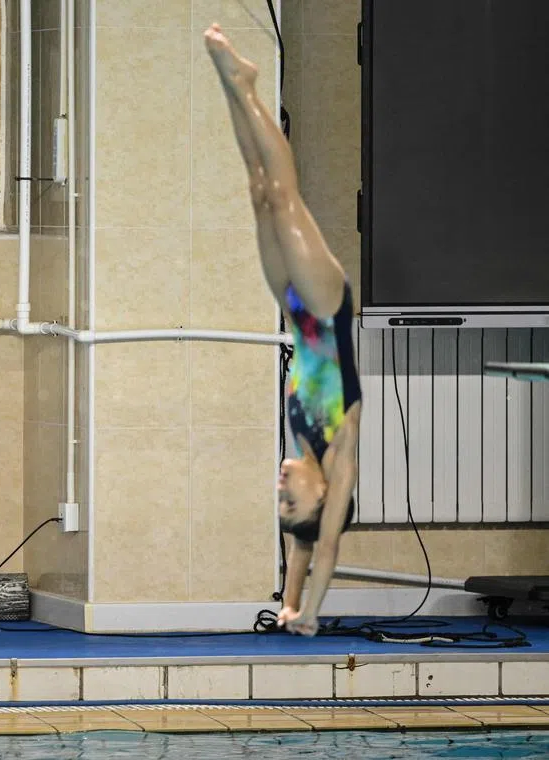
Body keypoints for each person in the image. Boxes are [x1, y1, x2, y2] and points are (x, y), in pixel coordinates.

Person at [204, 24, 362, 637]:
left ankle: (230, 86)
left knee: (259, 193)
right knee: (285, 195)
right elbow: (321, 550)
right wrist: (313, 614)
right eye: (292, 500)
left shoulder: (302, 449)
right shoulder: (340, 455)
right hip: (325, 306)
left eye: (281, 503)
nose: (281, 490)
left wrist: (290, 606)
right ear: (324, 499)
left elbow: (299, 548)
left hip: (295, 310)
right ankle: (245, 86)